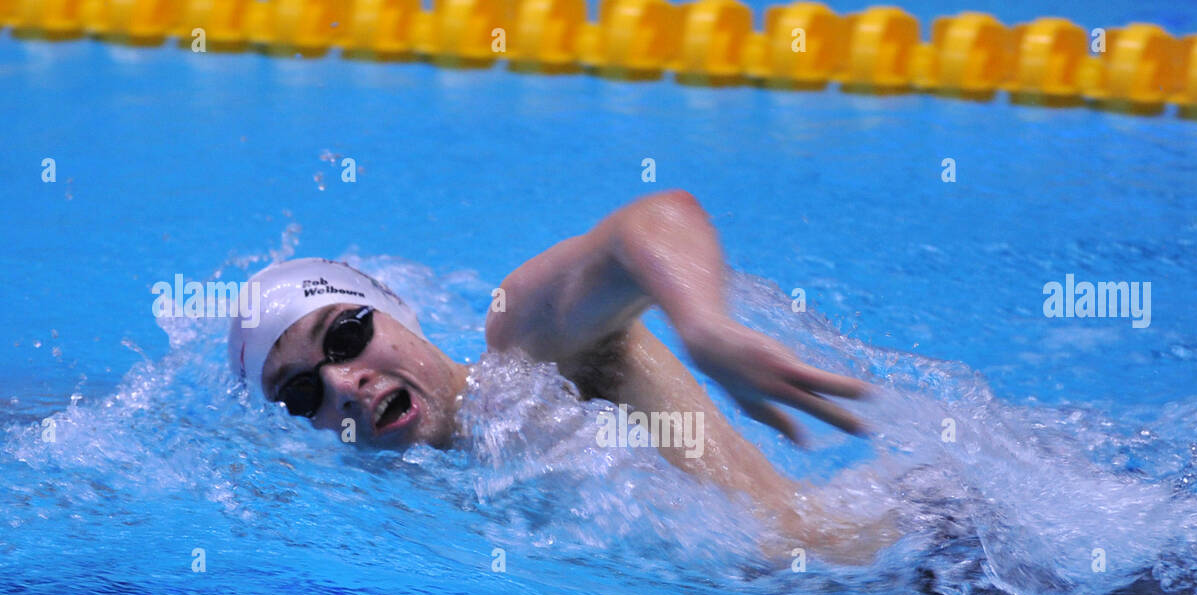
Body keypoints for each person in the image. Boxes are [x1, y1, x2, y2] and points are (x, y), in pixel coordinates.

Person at [229, 189, 894, 560]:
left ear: (399, 315)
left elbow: (650, 223)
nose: (344, 385)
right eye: (302, 394)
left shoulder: (524, 356)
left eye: (347, 336)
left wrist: (705, 327)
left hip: (921, 560)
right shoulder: (415, 501)